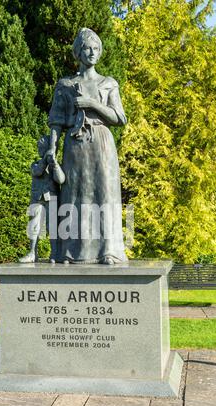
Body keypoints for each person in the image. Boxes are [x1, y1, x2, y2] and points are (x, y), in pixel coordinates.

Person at [46, 28, 127, 264]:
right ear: (78, 52)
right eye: (87, 48)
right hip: (75, 144)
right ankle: (71, 252)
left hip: (101, 143)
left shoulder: (108, 83)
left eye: (96, 48)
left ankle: (108, 251)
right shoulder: (66, 84)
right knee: (74, 195)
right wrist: (52, 148)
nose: (92, 52)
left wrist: (93, 104)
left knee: (104, 194)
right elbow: (56, 121)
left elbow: (119, 118)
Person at [19, 135, 65, 263]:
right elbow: (37, 172)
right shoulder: (35, 164)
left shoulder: (55, 165)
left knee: (53, 227)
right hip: (37, 198)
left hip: (52, 198)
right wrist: (45, 159)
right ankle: (33, 253)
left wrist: (54, 164)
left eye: (41, 147)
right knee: (34, 225)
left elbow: (60, 179)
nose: (38, 149)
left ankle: (55, 253)